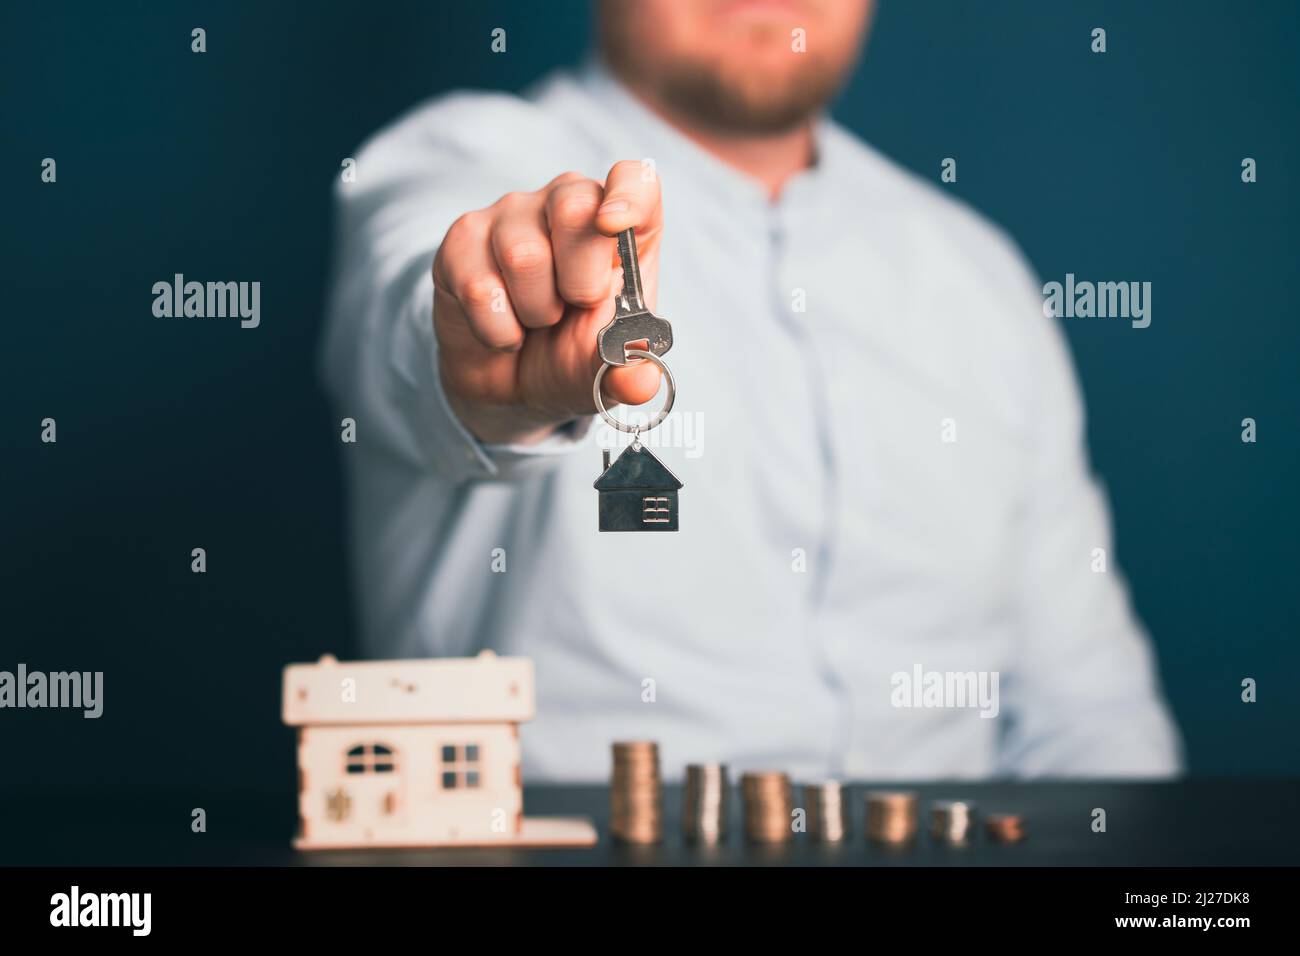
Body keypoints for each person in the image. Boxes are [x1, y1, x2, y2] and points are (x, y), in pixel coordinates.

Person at [321, 0, 1181, 781]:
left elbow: (1090, 715)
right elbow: (409, 322)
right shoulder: (462, 161)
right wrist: (488, 370)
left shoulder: (981, 275)